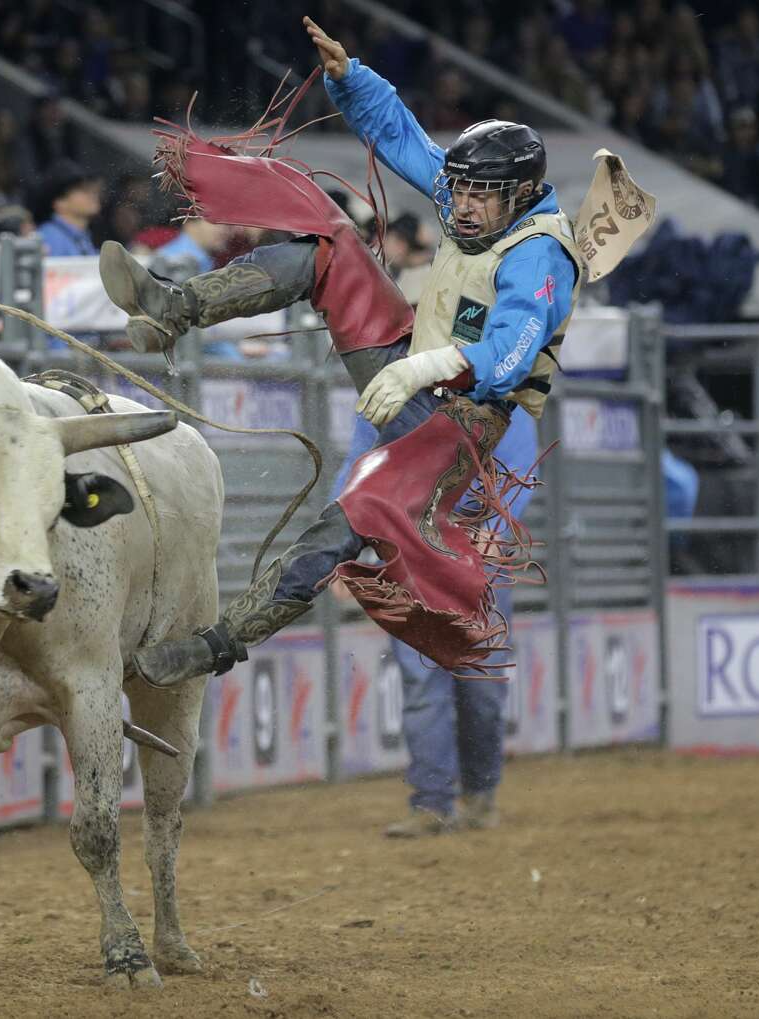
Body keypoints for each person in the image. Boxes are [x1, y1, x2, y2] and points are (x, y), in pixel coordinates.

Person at [98, 16, 650, 688]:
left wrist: (423, 365)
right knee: (331, 243)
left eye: (482, 194)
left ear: (522, 194)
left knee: (350, 518)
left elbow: (508, 354)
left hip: (462, 425)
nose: (464, 205)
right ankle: (175, 309)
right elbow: (404, 140)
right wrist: (351, 77)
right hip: (412, 371)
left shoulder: (541, 255)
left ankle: (217, 643)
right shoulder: (481, 202)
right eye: (462, 189)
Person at [330, 405, 538, 836]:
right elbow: (360, 462)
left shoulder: (492, 383)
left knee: (477, 683)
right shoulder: (394, 386)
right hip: (413, 546)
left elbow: (518, 456)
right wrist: (340, 546)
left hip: (471, 548)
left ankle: (477, 793)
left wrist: (494, 525)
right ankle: (432, 801)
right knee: (425, 677)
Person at [33, 160, 102, 257]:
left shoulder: (82, 236)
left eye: (91, 189)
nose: (92, 194)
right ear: (59, 202)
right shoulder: (50, 238)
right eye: (83, 189)